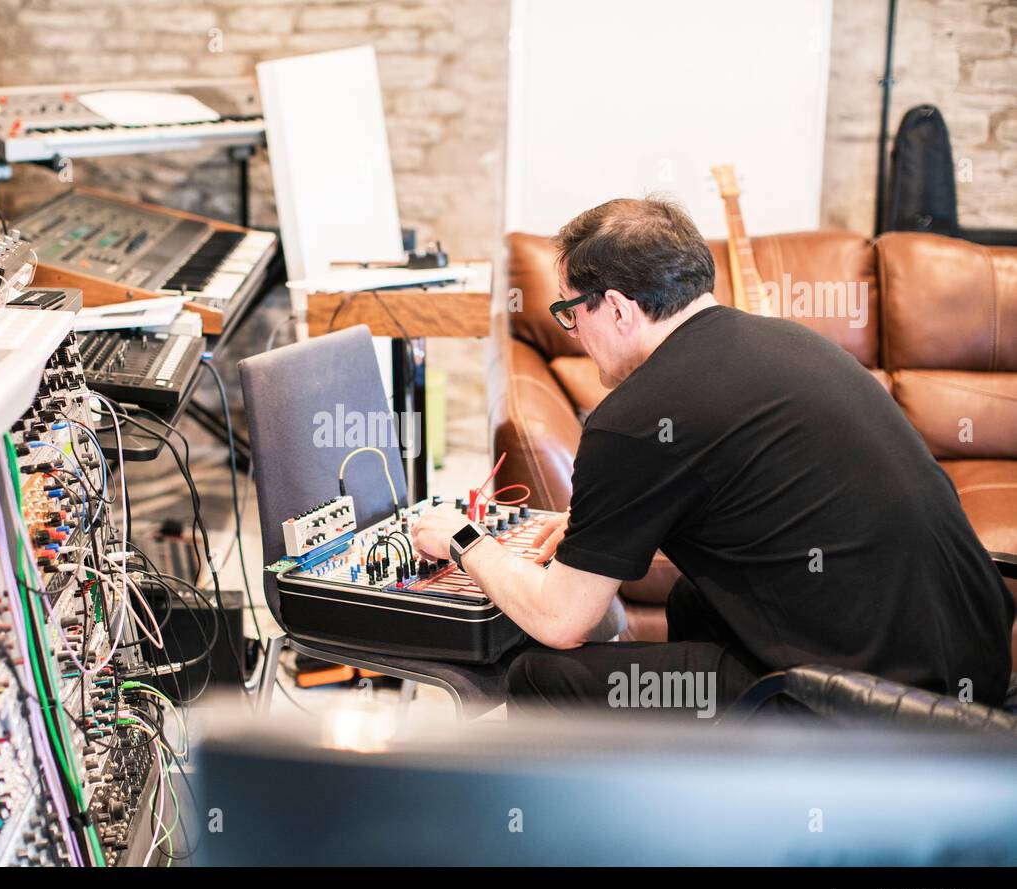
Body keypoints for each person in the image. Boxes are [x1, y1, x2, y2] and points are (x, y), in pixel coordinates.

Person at [410, 197, 1014, 715]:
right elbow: (752, 500)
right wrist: (597, 528)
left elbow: (560, 621)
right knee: (693, 598)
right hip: (975, 656)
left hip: (880, 702)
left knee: (541, 677)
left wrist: (467, 539)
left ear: (617, 308)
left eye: (570, 311)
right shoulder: (790, 341)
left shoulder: (637, 417)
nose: (571, 330)